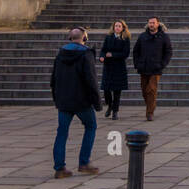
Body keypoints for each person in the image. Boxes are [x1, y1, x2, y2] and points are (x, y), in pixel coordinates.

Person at [51, 26, 101, 178]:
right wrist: (97, 102)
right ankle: (84, 162)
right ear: (84, 38)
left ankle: (60, 168)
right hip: (81, 101)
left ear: (69, 38)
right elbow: (91, 80)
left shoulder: (60, 54)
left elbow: (53, 79)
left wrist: (57, 99)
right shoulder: (86, 54)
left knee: (61, 132)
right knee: (91, 126)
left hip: (64, 101)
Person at [132, 17, 172, 120]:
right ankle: (151, 105)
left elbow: (168, 52)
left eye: (153, 23)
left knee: (151, 89)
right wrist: (137, 64)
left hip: (156, 68)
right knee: (144, 91)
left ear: (158, 24)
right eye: (150, 23)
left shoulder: (163, 37)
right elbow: (136, 51)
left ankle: (149, 113)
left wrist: (162, 64)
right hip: (144, 67)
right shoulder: (142, 36)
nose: (151, 24)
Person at [99, 19, 131, 119]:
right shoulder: (108, 38)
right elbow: (103, 49)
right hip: (108, 67)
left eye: (119, 26)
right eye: (116, 26)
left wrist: (112, 55)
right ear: (113, 27)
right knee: (106, 90)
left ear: (123, 28)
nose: (117, 27)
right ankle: (110, 106)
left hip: (119, 67)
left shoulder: (125, 39)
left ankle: (115, 112)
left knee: (117, 91)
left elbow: (125, 54)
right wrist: (102, 56)